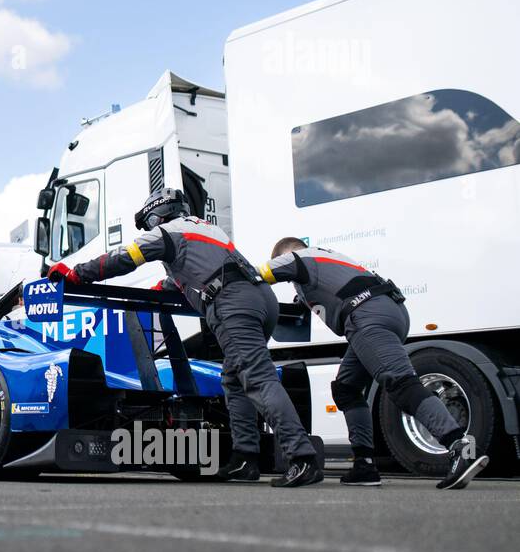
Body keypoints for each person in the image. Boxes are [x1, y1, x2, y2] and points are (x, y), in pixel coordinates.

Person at [48, 188, 322, 487]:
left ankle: (301, 457)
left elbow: (123, 258)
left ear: (157, 216)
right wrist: (165, 287)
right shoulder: (208, 229)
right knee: (233, 378)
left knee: (257, 377)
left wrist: (77, 274)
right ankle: (245, 458)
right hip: (260, 299)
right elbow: (203, 269)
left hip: (231, 303)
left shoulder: (166, 233)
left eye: (149, 222)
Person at [261, 238, 487, 490]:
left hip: (366, 315)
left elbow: (262, 272)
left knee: (400, 383)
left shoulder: (299, 258)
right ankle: (364, 466)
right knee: (346, 388)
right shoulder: (328, 261)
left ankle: (459, 446)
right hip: (386, 310)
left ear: (287, 253)